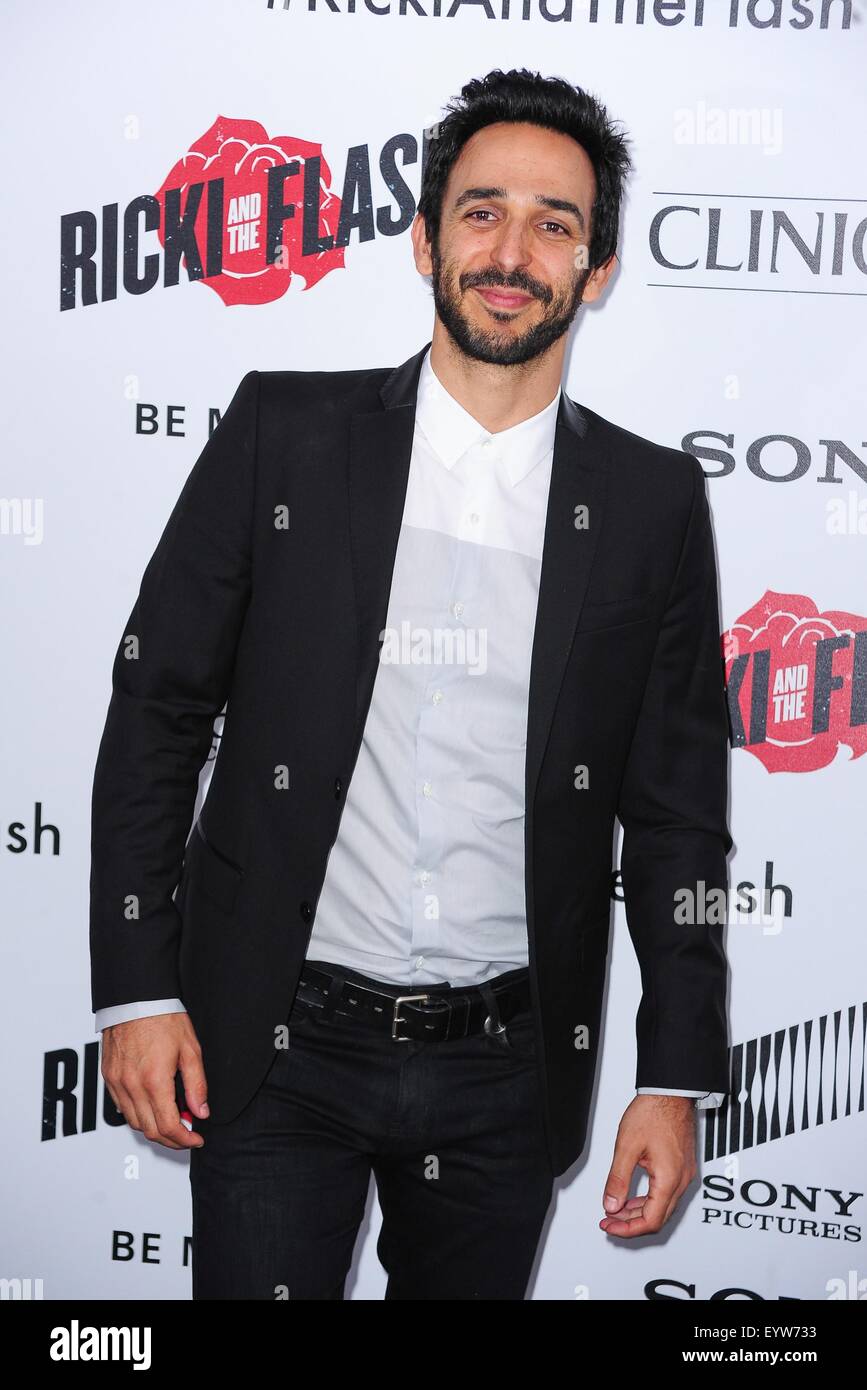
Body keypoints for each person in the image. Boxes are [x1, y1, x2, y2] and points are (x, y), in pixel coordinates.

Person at [90, 68, 732, 1300]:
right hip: (273, 1044)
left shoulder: (654, 506)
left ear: (595, 270)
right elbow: (158, 706)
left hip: (504, 1070)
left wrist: (673, 1072)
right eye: (482, 211)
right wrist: (137, 986)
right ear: (427, 237)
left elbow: (677, 816)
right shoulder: (287, 433)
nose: (513, 251)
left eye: (556, 224)